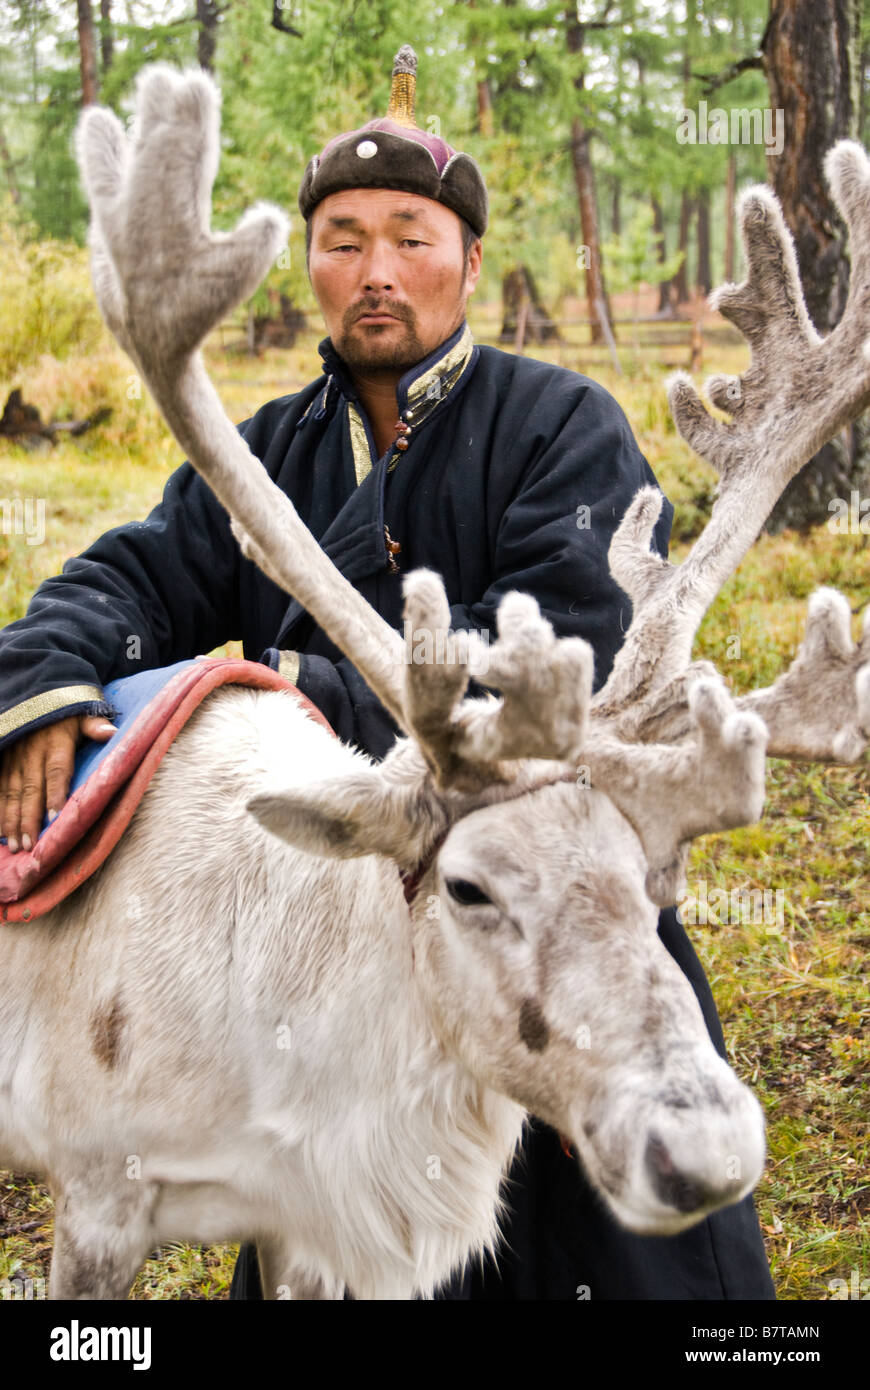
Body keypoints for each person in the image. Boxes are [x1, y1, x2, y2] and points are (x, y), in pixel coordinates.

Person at [0, 47, 774, 1300]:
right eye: (343, 239)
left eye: (410, 238)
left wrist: (332, 709)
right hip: (338, 936)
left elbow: (562, 655)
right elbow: (131, 581)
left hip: (537, 914)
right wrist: (43, 682)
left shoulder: (560, 424)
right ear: (308, 266)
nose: (374, 272)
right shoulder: (266, 451)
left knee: (610, 1261)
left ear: (469, 261)